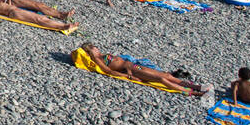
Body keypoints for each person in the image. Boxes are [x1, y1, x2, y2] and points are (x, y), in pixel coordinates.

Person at [74, 46, 205, 95]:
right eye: (92, 49)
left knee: (166, 75)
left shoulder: (101, 55)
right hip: (133, 71)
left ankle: (197, 87)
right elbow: (109, 71)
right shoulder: (98, 60)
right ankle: (191, 92)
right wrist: (129, 77)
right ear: (89, 53)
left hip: (135, 66)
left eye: (94, 47)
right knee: (161, 79)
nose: (95, 48)